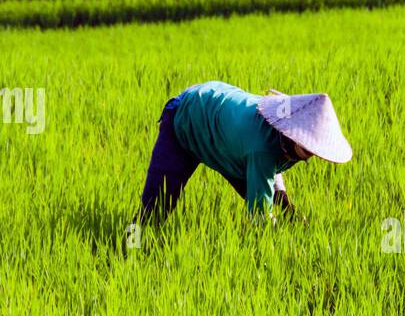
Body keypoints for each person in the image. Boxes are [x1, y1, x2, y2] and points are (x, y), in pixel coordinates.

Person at [139, 81, 352, 224]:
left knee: (267, 195)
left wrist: (290, 213)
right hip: (186, 119)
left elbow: (270, 172)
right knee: (153, 211)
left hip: (224, 135)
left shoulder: (281, 131)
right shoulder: (260, 149)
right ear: (293, 135)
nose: (311, 153)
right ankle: (129, 249)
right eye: (308, 147)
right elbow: (259, 218)